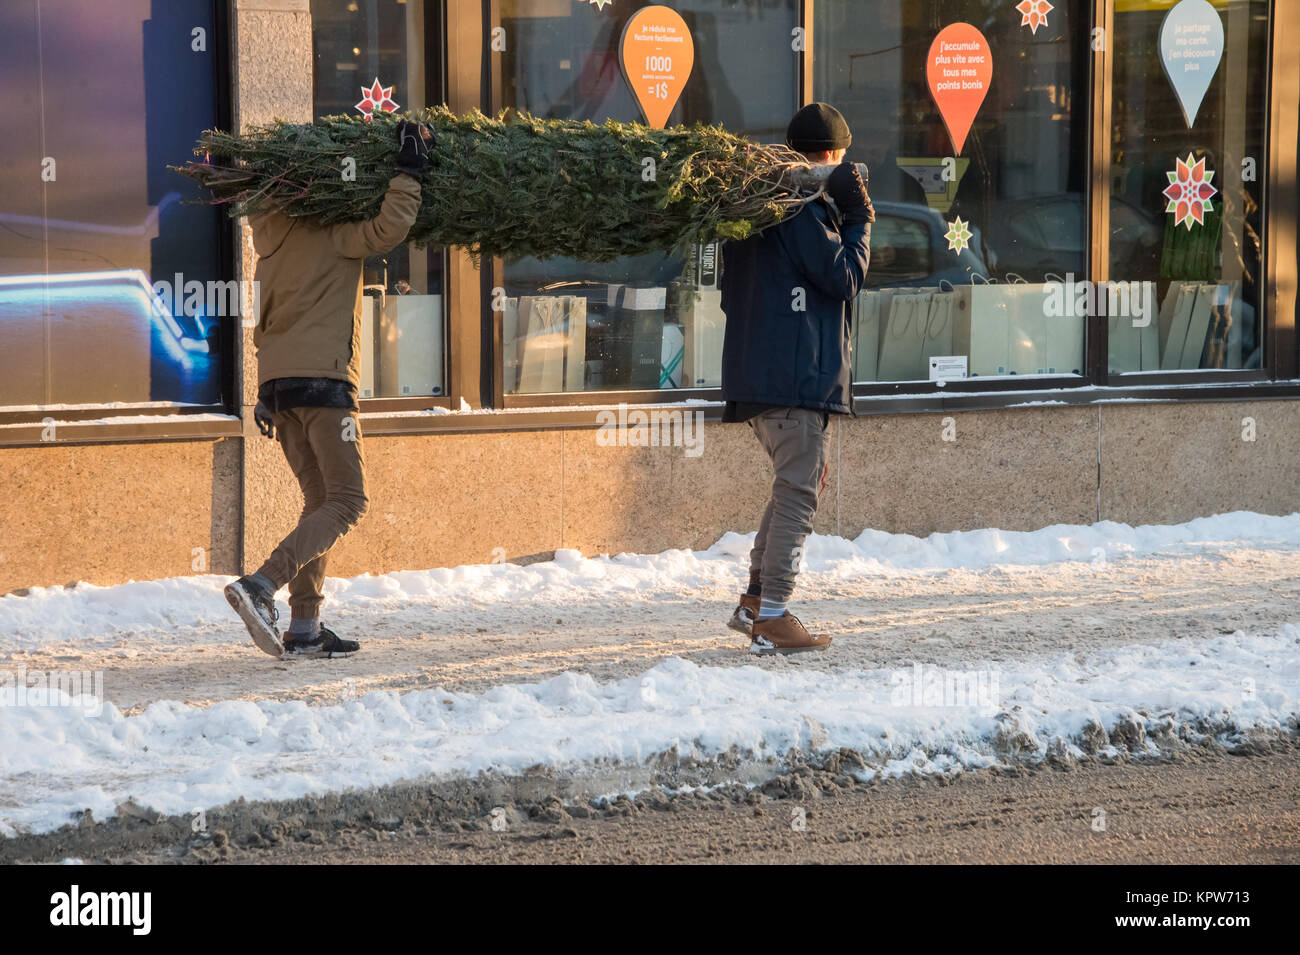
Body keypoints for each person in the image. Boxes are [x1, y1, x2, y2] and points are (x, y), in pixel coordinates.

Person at [224, 121, 431, 659]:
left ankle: (304, 629)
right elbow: (389, 228)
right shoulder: (336, 233)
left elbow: (262, 321)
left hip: (281, 387)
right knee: (346, 501)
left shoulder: (271, 241)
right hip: (326, 385)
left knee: (318, 501)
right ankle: (261, 585)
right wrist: (408, 170)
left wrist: (266, 392)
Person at [719, 102, 873, 655]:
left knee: (790, 490)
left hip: (762, 379)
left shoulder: (758, 206)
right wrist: (858, 220)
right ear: (831, 158)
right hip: (794, 379)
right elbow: (845, 277)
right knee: (799, 497)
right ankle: (775, 617)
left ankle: (757, 602)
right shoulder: (798, 210)